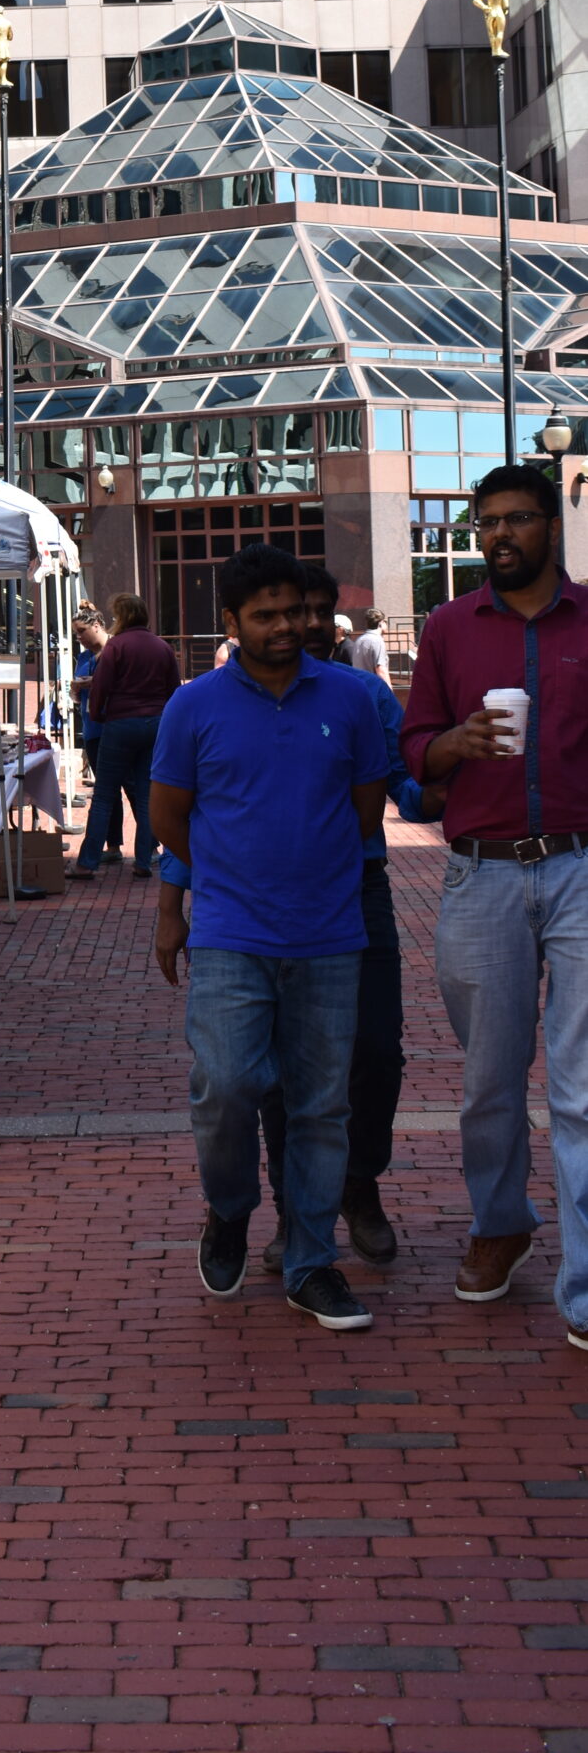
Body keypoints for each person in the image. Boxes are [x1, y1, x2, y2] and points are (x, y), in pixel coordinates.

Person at [149, 543, 389, 1332]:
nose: (286, 625)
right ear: (231, 623)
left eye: (294, 610)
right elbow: (167, 816)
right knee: (223, 1087)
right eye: (266, 615)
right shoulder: (193, 706)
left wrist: (306, 868)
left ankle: (310, 1261)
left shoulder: (351, 698)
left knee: (322, 1106)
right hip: (228, 933)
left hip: (328, 934)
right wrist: (207, 888)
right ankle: (228, 1210)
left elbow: (363, 809)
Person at [400, 462, 588, 1345]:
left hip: (582, 870)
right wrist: (454, 744)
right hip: (479, 872)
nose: (499, 536)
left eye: (516, 519)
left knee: (583, 1087)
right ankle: (500, 1221)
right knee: (487, 1080)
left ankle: (584, 1286)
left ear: (552, 525)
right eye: (486, 524)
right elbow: (413, 751)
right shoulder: (445, 627)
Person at [256, 565, 428, 1272]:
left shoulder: (362, 693)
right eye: (299, 610)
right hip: (267, 899)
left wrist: (460, 781)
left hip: (358, 889)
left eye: (323, 612)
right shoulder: (245, 694)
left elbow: (406, 790)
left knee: (377, 1051)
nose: (311, 624)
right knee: (278, 1066)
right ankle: (294, 1208)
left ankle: (359, 1186)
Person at [70, 593, 179, 879]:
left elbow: (101, 689)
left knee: (105, 794)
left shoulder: (117, 646)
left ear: (124, 617)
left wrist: (98, 717)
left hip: (120, 722)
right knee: (146, 794)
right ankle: (144, 859)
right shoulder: (162, 647)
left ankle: (87, 862)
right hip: (154, 724)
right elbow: (173, 690)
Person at [70, 604, 125, 858]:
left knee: (133, 786)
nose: (79, 637)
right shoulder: (83, 657)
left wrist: (93, 682)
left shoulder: (116, 650)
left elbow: (123, 683)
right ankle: (112, 846)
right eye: (75, 633)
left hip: (117, 726)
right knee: (106, 788)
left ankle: (151, 847)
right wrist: (76, 690)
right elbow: (78, 693)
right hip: (93, 728)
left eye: (81, 631)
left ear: (96, 626)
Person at [350, 609, 392, 685]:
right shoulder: (377, 641)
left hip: (360, 686)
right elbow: (381, 670)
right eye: (385, 621)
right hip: (374, 689)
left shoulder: (359, 640)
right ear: (381, 623)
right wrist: (389, 692)